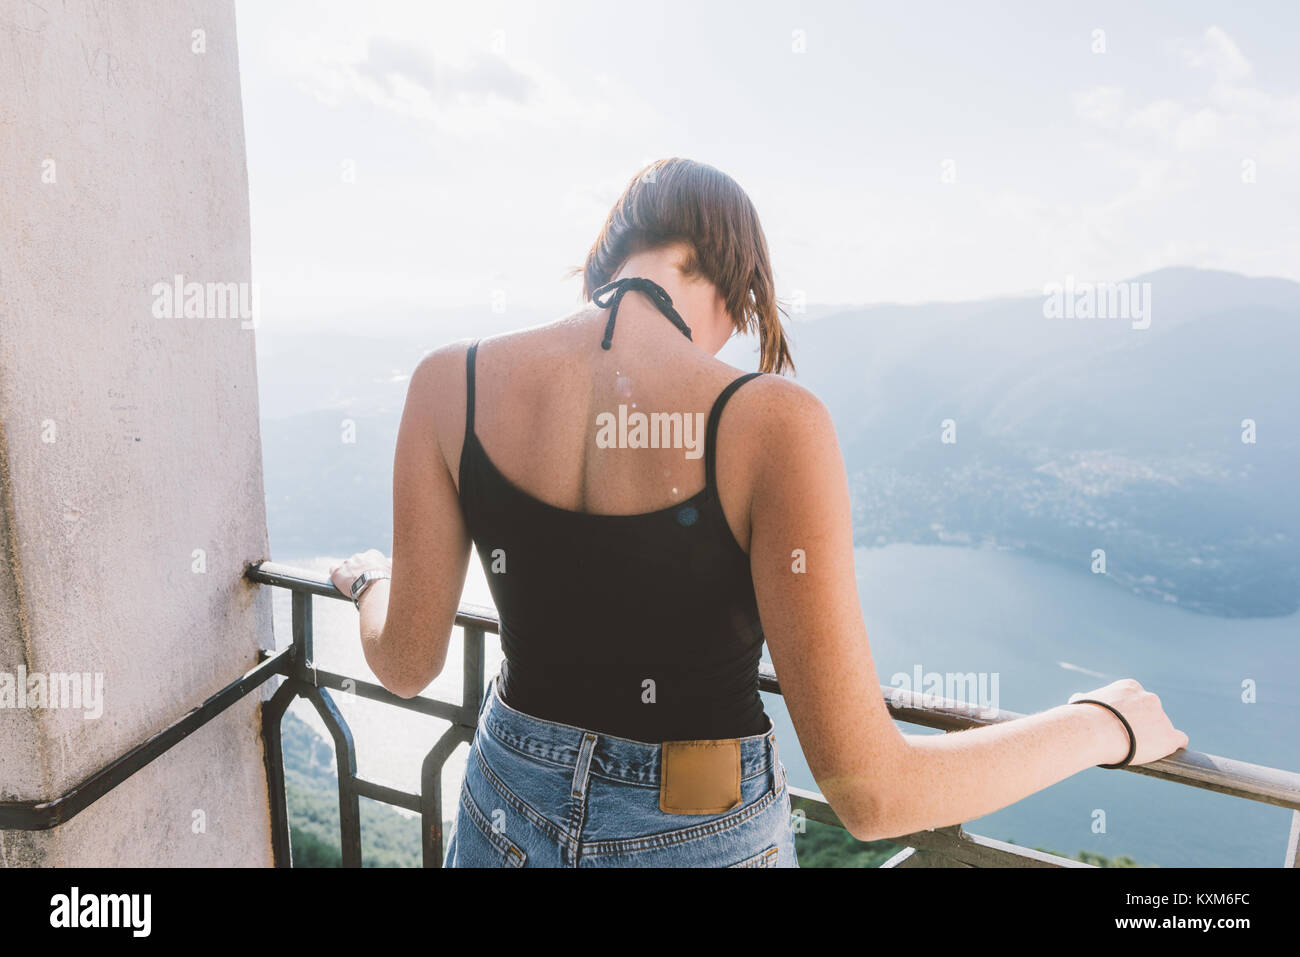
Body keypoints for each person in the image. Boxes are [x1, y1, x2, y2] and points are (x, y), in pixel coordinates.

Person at [329, 157, 1188, 868]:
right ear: (725, 273)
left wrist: (373, 579)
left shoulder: (450, 381)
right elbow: (871, 792)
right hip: (695, 824)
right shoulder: (773, 421)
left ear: (612, 252)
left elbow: (405, 661)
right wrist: (1101, 724)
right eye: (739, 316)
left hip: (503, 802)